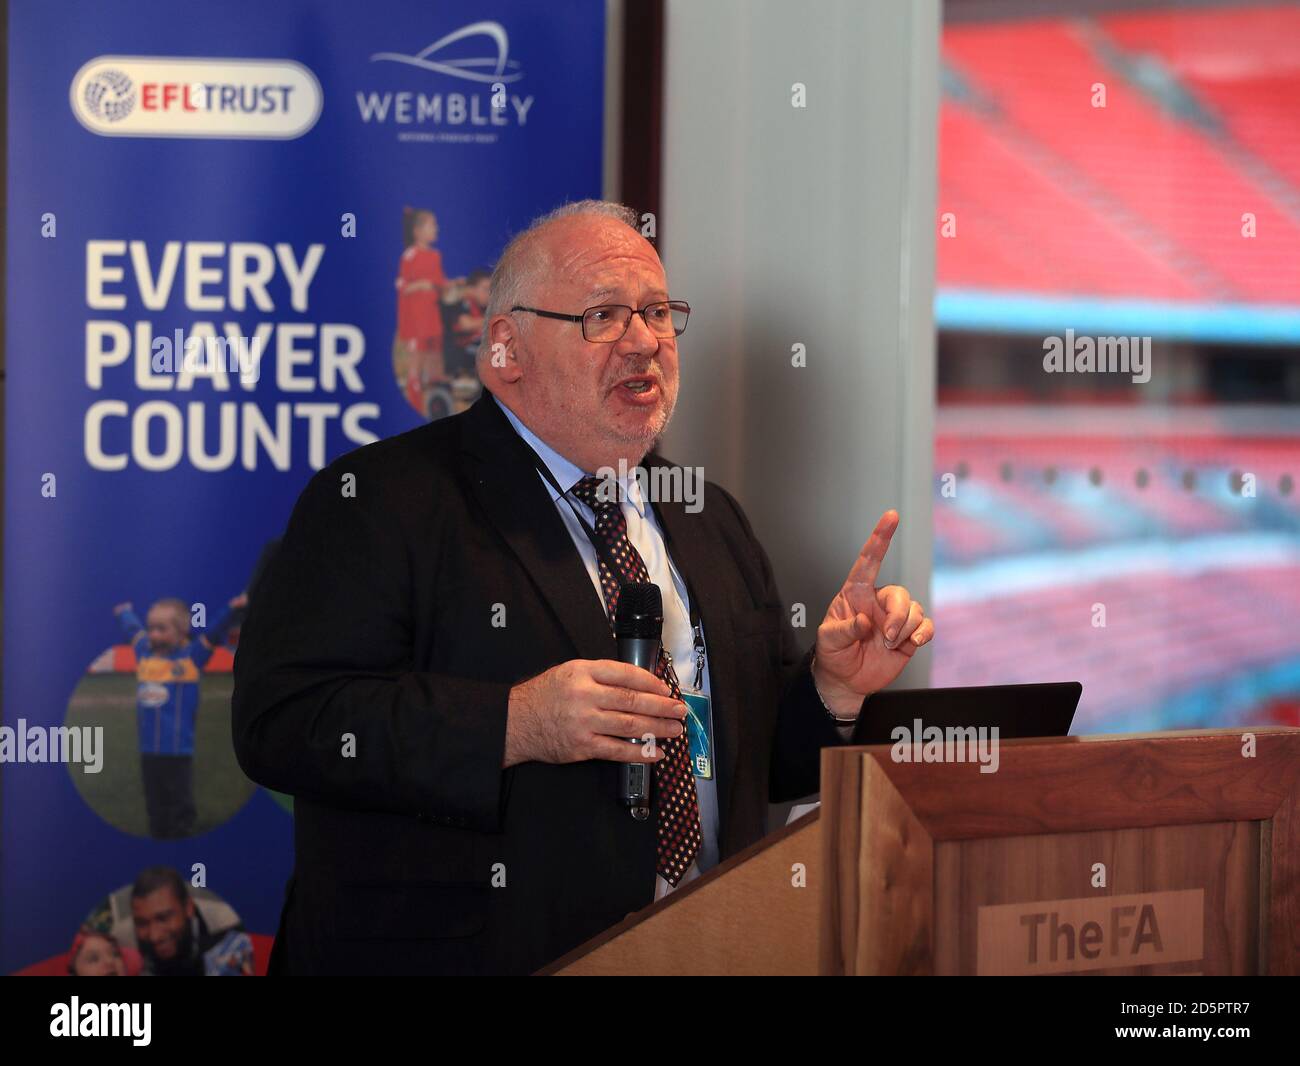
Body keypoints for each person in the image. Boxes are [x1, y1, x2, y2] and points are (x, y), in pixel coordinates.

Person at [233, 200, 933, 975]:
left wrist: (831, 691)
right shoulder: (380, 498)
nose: (645, 342)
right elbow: (283, 722)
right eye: (604, 315)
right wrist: (513, 722)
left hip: (698, 949)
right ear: (507, 348)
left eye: (658, 312)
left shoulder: (709, 516)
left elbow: (737, 766)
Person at [113, 594, 246, 838]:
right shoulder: (144, 652)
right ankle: (159, 831)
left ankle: (182, 833)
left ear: (182, 631)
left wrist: (232, 609)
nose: (153, 634)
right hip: (148, 750)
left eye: (162, 629)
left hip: (177, 750)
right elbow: (133, 629)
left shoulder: (191, 657)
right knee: (154, 799)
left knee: (179, 798)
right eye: (152, 627)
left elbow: (214, 632)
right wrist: (124, 611)